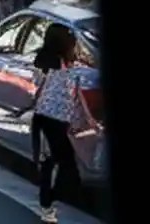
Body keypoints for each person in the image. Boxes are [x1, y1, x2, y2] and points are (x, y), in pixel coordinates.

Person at [31, 23, 98, 223]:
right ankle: (48, 203)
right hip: (54, 119)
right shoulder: (63, 64)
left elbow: (75, 93)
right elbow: (75, 93)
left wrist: (89, 120)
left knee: (52, 163)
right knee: (64, 165)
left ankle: (47, 204)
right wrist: (89, 120)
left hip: (45, 117)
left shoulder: (45, 61)